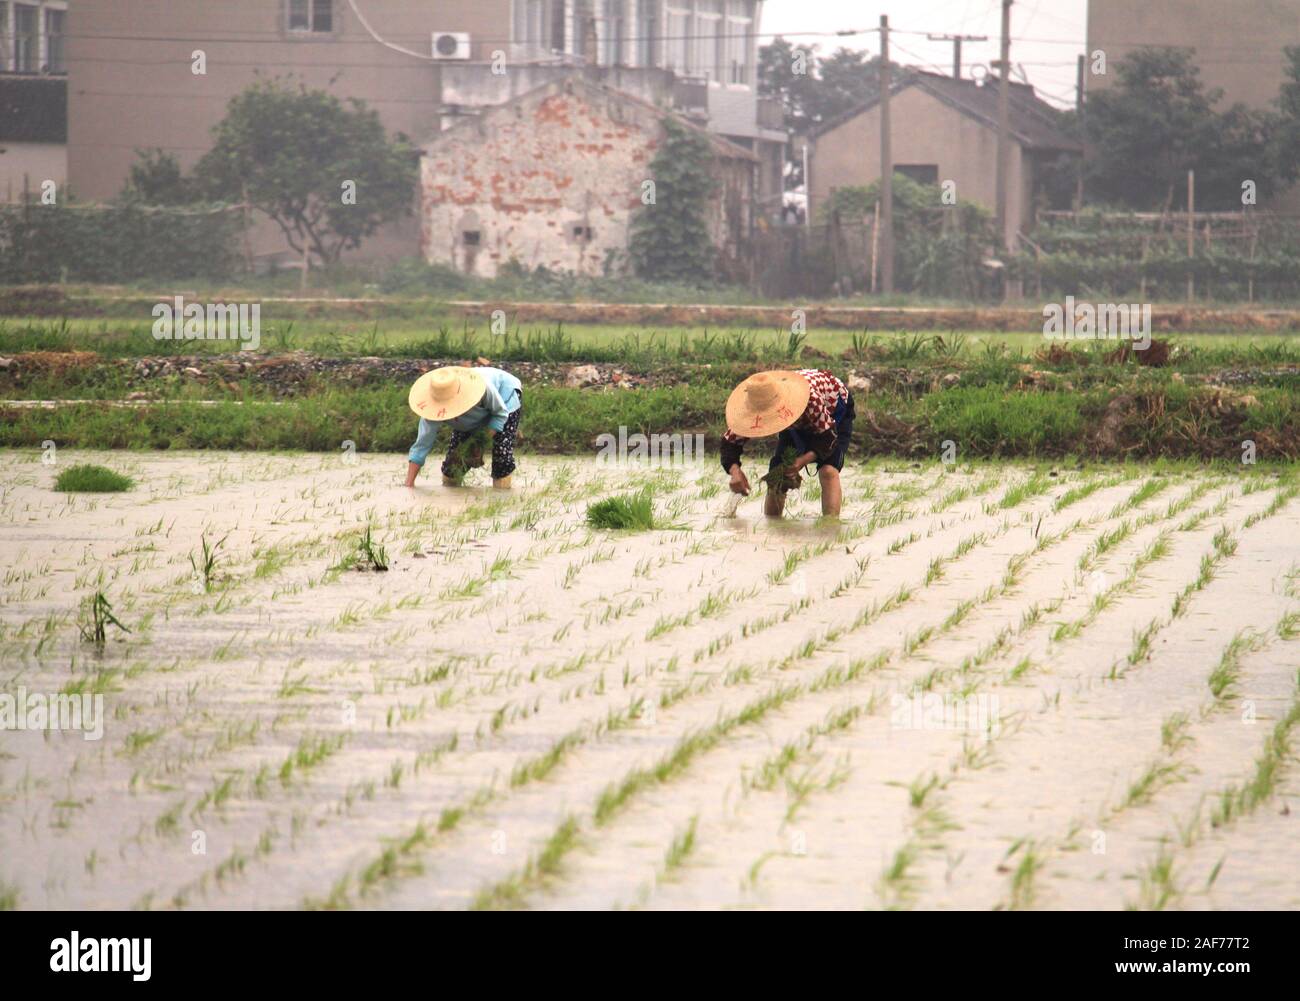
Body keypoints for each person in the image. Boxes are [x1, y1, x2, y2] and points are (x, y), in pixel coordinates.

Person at [720, 369, 855, 518]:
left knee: (828, 470)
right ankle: (773, 526)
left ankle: (830, 526)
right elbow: (729, 443)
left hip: (833, 408)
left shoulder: (809, 399)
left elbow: (828, 438)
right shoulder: (747, 412)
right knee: (778, 476)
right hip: (795, 421)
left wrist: (801, 461)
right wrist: (735, 472)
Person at [404, 365, 522, 489]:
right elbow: (422, 444)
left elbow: (500, 414)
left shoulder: (483, 389)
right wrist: (409, 483)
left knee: (501, 455)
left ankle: (501, 495)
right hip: (471, 416)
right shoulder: (431, 410)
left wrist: (478, 444)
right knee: (453, 467)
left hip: (504, 398)